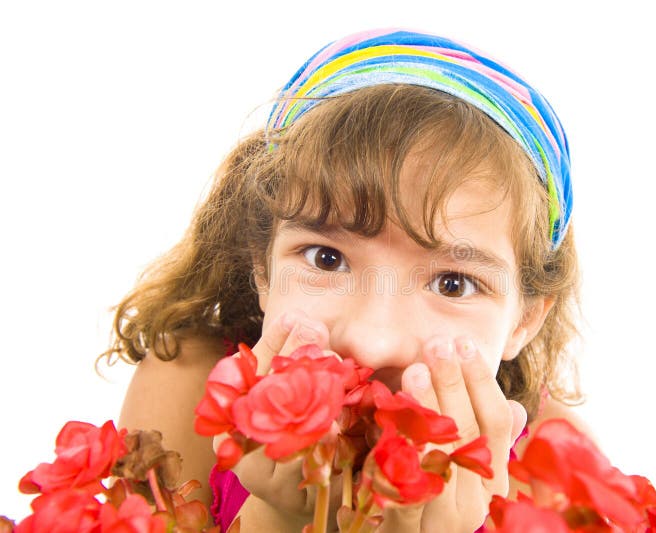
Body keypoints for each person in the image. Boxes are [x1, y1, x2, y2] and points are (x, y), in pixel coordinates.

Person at [110, 29, 582, 532]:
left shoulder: (553, 469)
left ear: (525, 319)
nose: (373, 343)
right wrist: (278, 517)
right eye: (327, 258)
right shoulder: (184, 381)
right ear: (263, 267)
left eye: (452, 284)